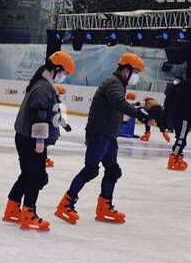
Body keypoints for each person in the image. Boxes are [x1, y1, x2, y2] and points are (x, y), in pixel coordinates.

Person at [55, 53, 148, 225]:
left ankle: (104, 206)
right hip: (98, 135)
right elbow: (119, 103)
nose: (136, 76)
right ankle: (65, 204)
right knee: (90, 170)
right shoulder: (113, 83)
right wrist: (139, 114)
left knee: (113, 171)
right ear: (126, 70)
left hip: (108, 136)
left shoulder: (118, 83)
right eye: (136, 72)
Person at [5, 51, 75, 230]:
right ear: (57, 69)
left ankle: (12, 208)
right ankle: (28, 213)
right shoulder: (43, 87)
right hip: (31, 138)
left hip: (26, 137)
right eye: (64, 73)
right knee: (36, 176)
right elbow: (39, 114)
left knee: (28, 174)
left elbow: (51, 111)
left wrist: (62, 124)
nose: (63, 77)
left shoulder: (43, 84)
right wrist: (39, 140)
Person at [44, 83, 72, 168]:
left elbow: (58, 117)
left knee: (44, 145)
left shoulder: (56, 103)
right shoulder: (51, 102)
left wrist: (65, 125)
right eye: (59, 95)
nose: (60, 97)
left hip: (50, 128)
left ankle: (43, 159)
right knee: (44, 144)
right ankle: (42, 159)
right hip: (48, 128)